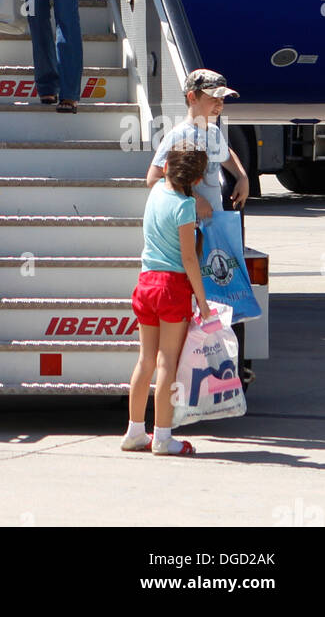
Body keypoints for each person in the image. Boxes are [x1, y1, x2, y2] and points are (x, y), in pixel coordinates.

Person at [123, 142, 214, 456]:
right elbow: (189, 259)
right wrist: (202, 302)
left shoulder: (155, 194)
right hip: (172, 287)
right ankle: (162, 437)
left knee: (145, 360)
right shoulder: (184, 206)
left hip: (145, 283)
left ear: (165, 169)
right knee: (167, 364)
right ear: (198, 180)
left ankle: (135, 432)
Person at [147, 70, 250, 218]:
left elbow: (225, 155)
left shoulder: (214, 132)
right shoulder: (178, 135)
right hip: (189, 222)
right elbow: (154, 179)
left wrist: (242, 177)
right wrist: (195, 199)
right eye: (214, 98)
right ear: (192, 97)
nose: (219, 105)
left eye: (222, 99)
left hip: (214, 219)